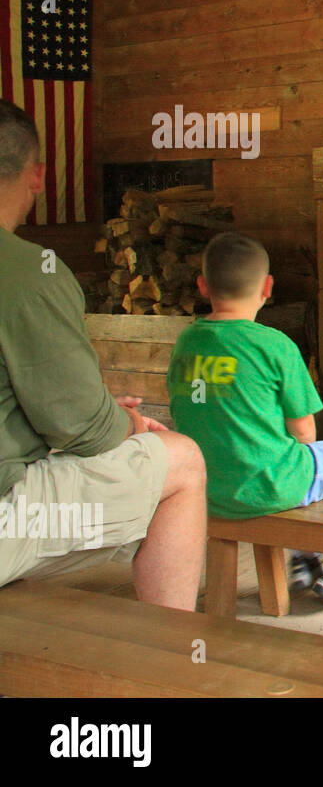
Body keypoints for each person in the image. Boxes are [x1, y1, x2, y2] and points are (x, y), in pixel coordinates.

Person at [0, 98, 207, 608]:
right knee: (182, 461)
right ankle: (168, 663)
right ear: (38, 175)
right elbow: (80, 428)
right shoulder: (30, 272)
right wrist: (131, 423)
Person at [166, 231, 323, 605]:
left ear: (202, 286)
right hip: (268, 487)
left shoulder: (187, 343)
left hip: (203, 490)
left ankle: (307, 560)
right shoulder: (275, 345)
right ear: (268, 287)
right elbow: (304, 432)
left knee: (307, 468)